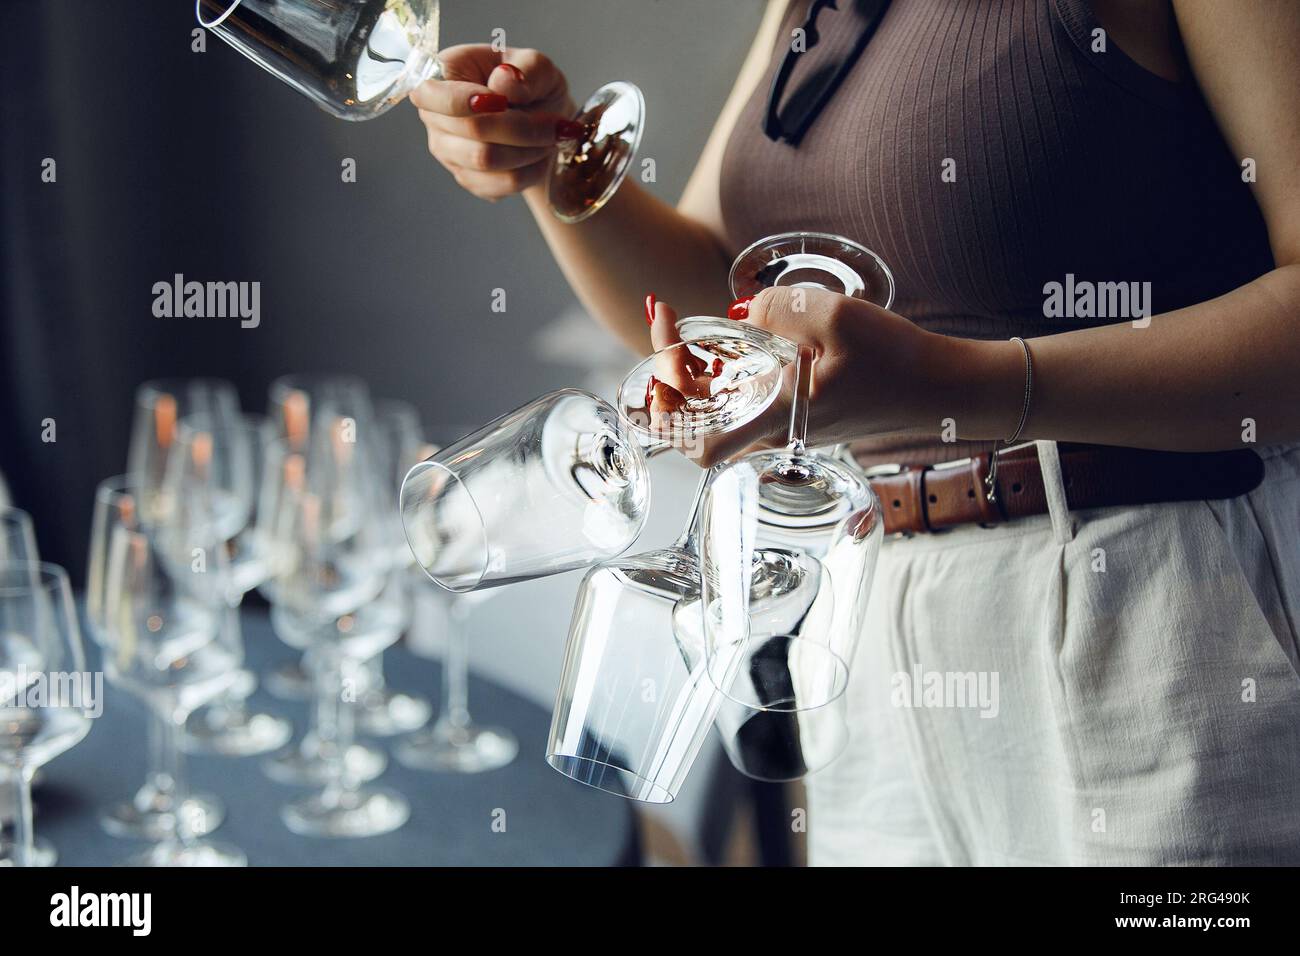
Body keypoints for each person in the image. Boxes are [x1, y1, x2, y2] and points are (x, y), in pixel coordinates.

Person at [410, 0, 1300, 865]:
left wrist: (953, 385)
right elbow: (716, 291)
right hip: (871, 615)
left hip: (1149, 604)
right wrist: (551, 162)